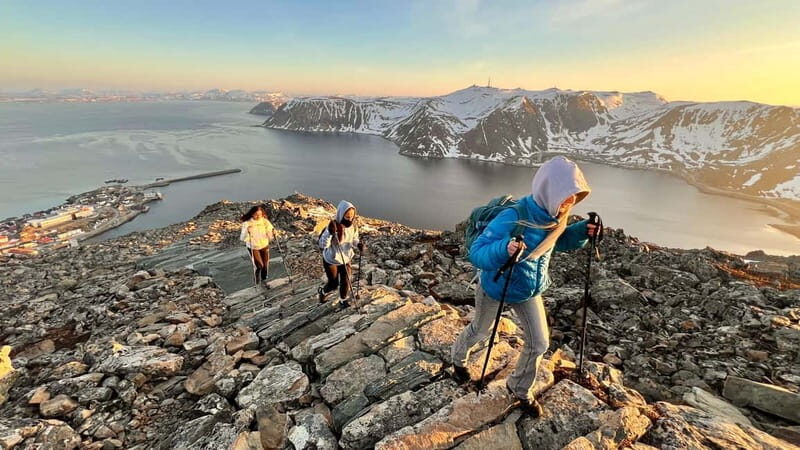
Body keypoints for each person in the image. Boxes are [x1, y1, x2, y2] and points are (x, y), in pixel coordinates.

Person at [450, 156, 600, 417]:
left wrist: (580, 232)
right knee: (479, 330)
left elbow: (557, 241)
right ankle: (458, 359)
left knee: (540, 342)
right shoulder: (513, 217)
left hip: (529, 290)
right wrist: (504, 249)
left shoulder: (556, 217)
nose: (569, 203)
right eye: (565, 196)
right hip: (496, 285)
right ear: (548, 190)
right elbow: (478, 252)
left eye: (573, 197)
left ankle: (519, 388)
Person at [318, 200, 364, 306]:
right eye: (347, 217)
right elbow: (323, 245)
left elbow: (353, 239)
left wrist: (358, 244)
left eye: (352, 217)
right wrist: (330, 233)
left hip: (345, 258)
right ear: (341, 214)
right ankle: (323, 292)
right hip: (331, 260)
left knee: (346, 280)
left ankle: (343, 300)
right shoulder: (332, 226)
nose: (350, 219)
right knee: (333, 284)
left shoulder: (353, 226)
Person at [240, 204, 276, 285]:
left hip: (264, 245)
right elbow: (242, 238)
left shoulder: (265, 221)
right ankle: (257, 280)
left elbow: (270, 234)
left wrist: (273, 233)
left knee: (265, 265)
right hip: (253, 247)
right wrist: (247, 231)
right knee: (259, 265)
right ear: (252, 214)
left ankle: (264, 280)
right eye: (256, 214)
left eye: (260, 214)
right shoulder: (247, 223)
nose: (258, 216)